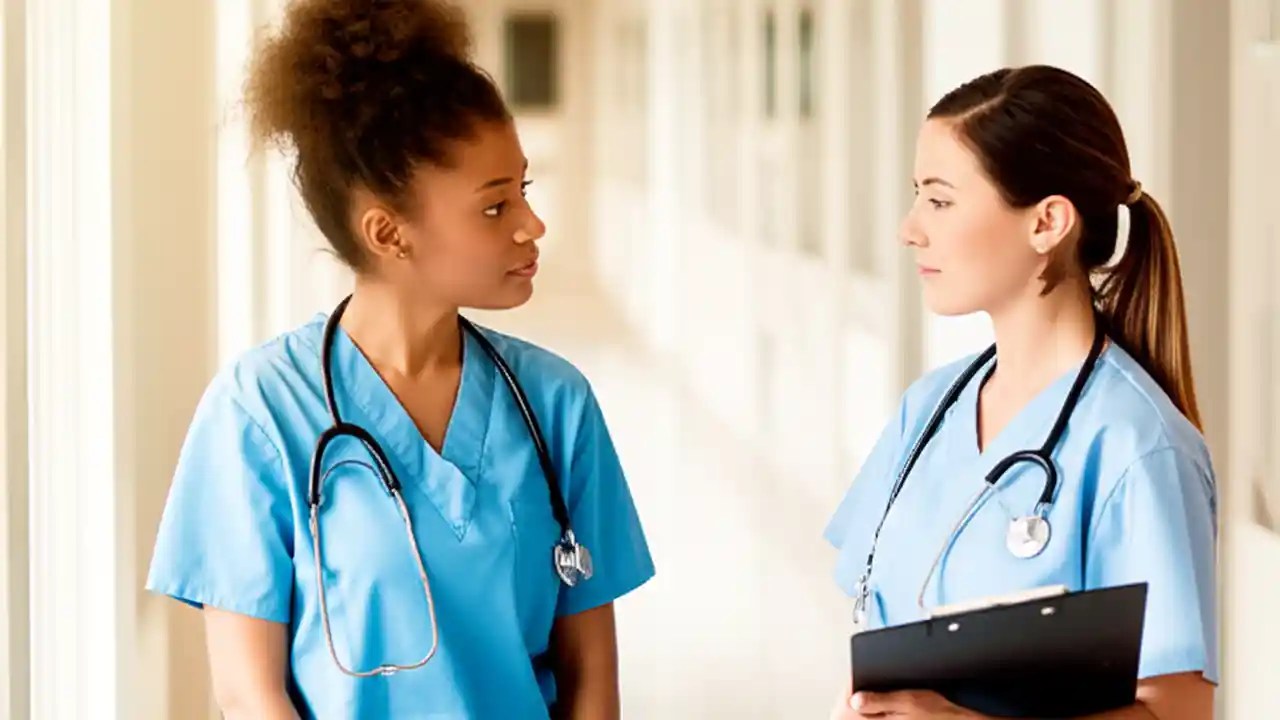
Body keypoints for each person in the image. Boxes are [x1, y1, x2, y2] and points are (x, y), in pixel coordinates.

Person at [145, 1, 654, 718]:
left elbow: (591, 680)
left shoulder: (555, 404)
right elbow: (248, 692)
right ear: (389, 233)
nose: (532, 225)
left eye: (525, 192)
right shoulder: (259, 412)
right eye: (494, 206)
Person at [825, 65, 1216, 719]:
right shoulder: (928, 411)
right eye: (916, 195)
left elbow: (1179, 712)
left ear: (1047, 223)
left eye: (940, 200)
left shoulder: (1136, 448)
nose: (910, 228)